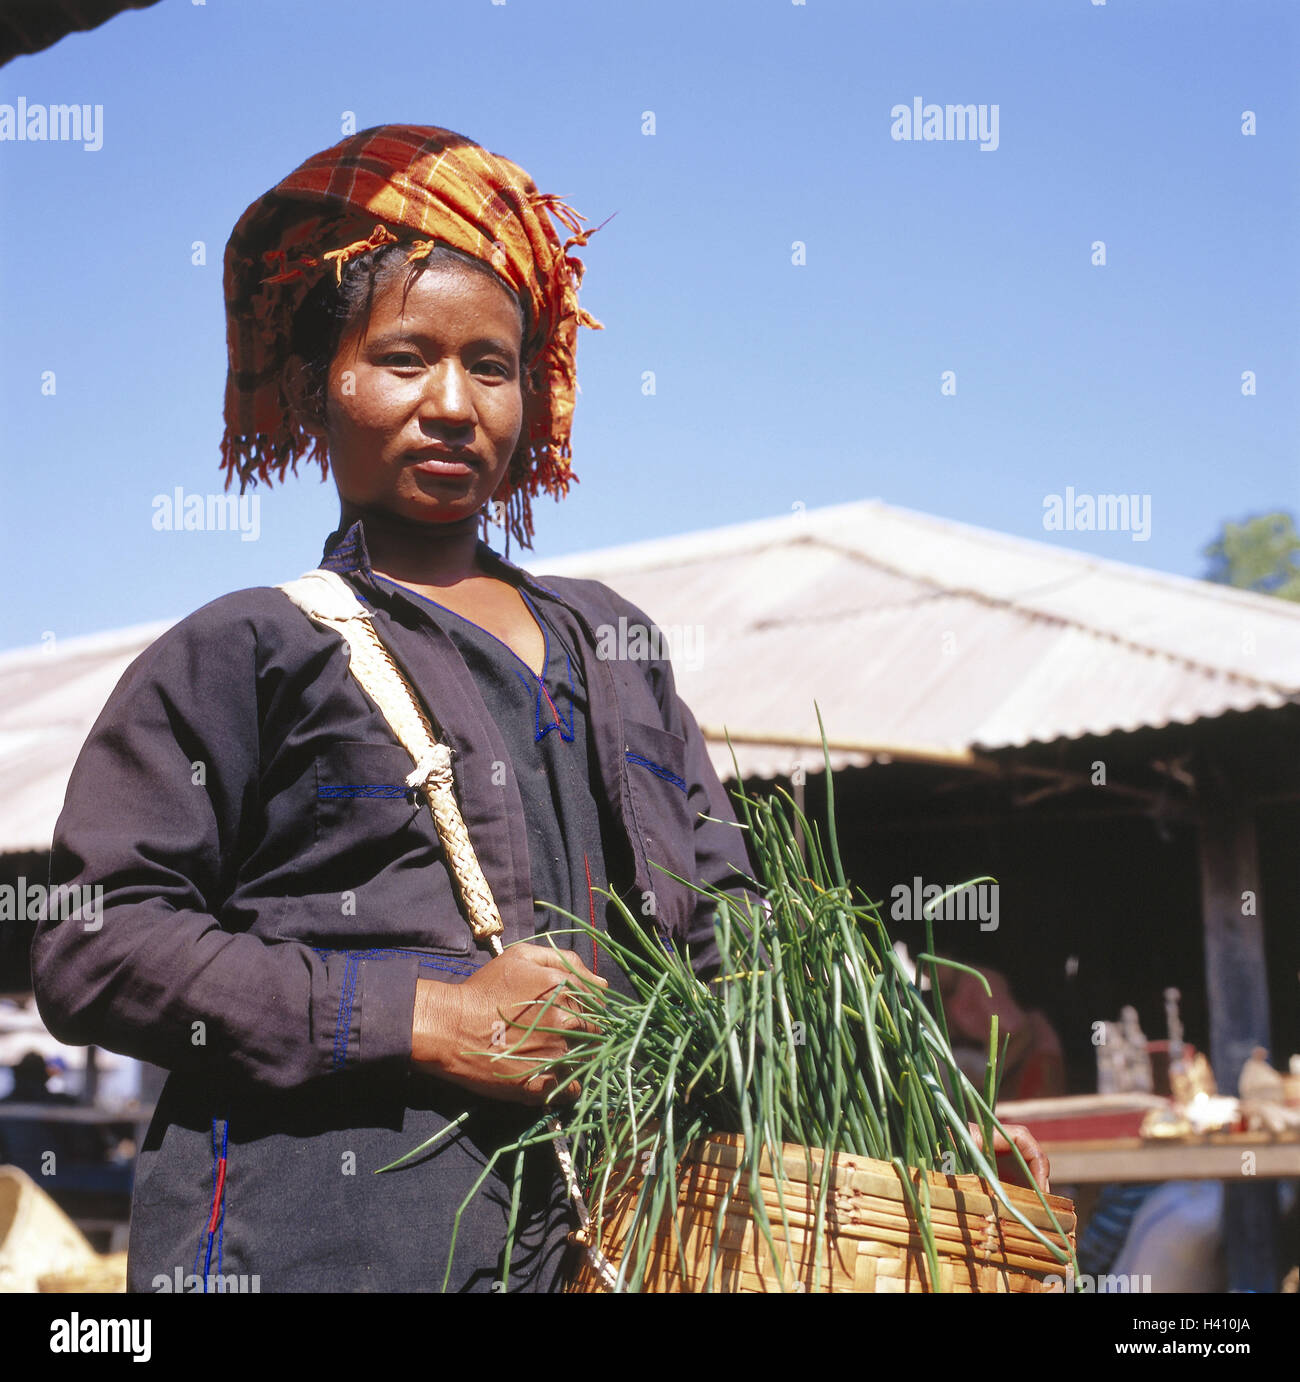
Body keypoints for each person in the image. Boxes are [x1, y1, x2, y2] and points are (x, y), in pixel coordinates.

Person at [32, 124, 1046, 1293]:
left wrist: (910, 1127)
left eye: (493, 365)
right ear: (319, 390)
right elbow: (90, 941)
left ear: (539, 391)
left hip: (611, 1238)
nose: (453, 403)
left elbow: (732, 933)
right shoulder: (249, 644)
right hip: (318, 1243)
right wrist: (420, 1015)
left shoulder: (610, 644)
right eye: (405, 359)